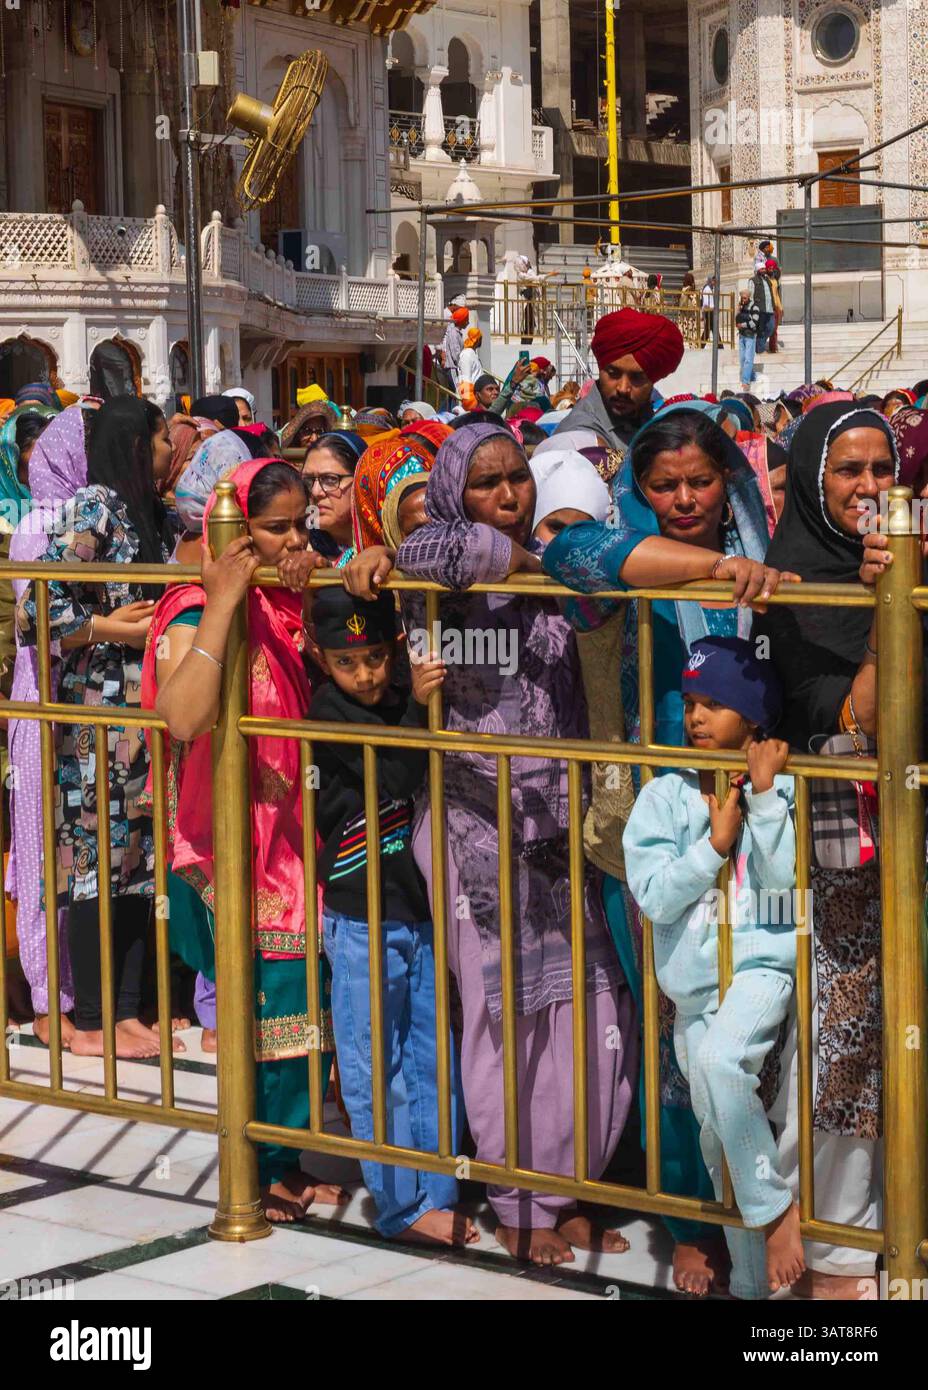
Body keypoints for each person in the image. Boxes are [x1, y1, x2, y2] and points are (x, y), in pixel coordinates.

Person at [542, 402, 796, 1296]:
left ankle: (771, 1216)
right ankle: (694, 1222)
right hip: (654, 830)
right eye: (664, 485)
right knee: (678, 1039)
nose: (685, 498)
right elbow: (571, 558)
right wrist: (718, 569)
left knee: (759, 1032)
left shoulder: (769, 540)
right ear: (636, 487)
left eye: (701, 480)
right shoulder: (614, 545)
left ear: (730, 475)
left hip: (763, 822)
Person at [384, 422, 637, 1267]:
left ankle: (573, 1189)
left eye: (519, 480)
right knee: (505, 1015)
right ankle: (517, 1196)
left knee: (588, 1008)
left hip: (560, 826)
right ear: (460, 489)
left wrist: (548, 562)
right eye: (488, 482)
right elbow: (426, 550)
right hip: (471, 828)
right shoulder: (444, 561)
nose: (509, 496)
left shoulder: (559, 564)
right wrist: (530, 558)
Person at [148, 457, 347, 1222]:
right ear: (230, 534)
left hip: (298, 836)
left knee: (300, 1013)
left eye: (302, 523)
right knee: (258, 1009)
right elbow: (183, 716)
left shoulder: (294, 595)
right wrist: (229, 601)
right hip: (231, 843)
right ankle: (253, 1164)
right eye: (273, 528)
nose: (293, 540)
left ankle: (282, 1155)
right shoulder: (196, 606)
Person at [756, 402, 900, 1299]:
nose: (871, 488)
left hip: (907, 846)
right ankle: (838, 1257)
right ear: (813, 482)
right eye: (849, 470)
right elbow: (853, 720)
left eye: (883, 468)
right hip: (837, 854)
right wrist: (890, 607)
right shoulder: (799, 589)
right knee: (840, 1051)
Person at [624, 636, 804, 1298]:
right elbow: (654, 896)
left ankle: (776, 1210)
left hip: (760, 970)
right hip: (695, 994)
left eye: (717, 703)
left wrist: (761, 805)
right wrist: (712, 847)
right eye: (692, 702)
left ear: (753, 718)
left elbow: (786, 892)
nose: (697, 717)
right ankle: (757, 1293)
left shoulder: (782, 786)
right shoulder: (663, 797)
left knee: (722, 1068)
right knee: (717, 1138)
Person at [309, 585, 475, 1246]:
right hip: (360, 917)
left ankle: (438, 1187)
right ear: (322, 661)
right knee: (372, 1060)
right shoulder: (327, 710)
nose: (366, 674)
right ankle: (399, 1203)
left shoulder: (402, 697)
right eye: (348, 661)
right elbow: (396, 776)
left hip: (419, 908)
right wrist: (421, 709)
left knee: (433, 1054)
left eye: (376, 656)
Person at [18, 397, 176, 1060]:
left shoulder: (151, 514)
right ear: (137, 444)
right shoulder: (95, 508)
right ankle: (88, 1017)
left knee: (139, 864)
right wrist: (115, 628)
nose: (174, 450)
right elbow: (39, 612)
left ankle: (128, 1010)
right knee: (94, 862)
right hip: (98, 714)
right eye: (164, 439)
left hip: (145, 712)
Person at [5, 407, 90, 1046]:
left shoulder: (83, 519)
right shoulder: (41, 525)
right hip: (45, 701)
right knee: (42, 858)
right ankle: (46, 1003)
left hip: (69, 701)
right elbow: (45, 624)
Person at [555, 307, 685, 453]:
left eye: (636, 378)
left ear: (653, 380)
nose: (623, 388)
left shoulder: (653, 423)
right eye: (613, 374)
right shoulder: (580, 435)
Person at [301, 430, 367, 566]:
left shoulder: (387, 547)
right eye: (308, 480)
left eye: (330, 479)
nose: (315, 491)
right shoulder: (298, 545)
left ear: (361, 481)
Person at [736, 288, 760, 392]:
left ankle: (746, 382)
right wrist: (738, 310)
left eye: (745, 298)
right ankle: (752, 375)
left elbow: (755, 322)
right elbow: (737, 319)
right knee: (742, 359)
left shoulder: (755, 307)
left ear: (748, 297)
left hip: (750, 336)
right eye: (742, 298)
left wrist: (743, 325)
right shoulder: (741, 306)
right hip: (742, 336)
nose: (743, 299)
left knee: (748, 359)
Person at [752, 264, 776, 354]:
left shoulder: (767, 280)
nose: (764, 270)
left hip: (769, 309)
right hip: (760, 309)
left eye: (764, 269)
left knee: (771, 327)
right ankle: (760, 349)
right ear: (758, 270)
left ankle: (760, 344)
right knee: (761, 329)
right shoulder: (753, 281)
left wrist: (773, 306)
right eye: (762, 269)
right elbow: (750, 295)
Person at [701, 275, 722, 348]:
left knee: (710, 329)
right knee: (713, 328)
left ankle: (701, 344)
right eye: (713, 281)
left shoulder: (710, 288)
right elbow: (706, 302)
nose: (714, 282)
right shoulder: (707, 289)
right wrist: (713, 308)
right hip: (709, 311)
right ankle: (720, 345)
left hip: (710, 311)